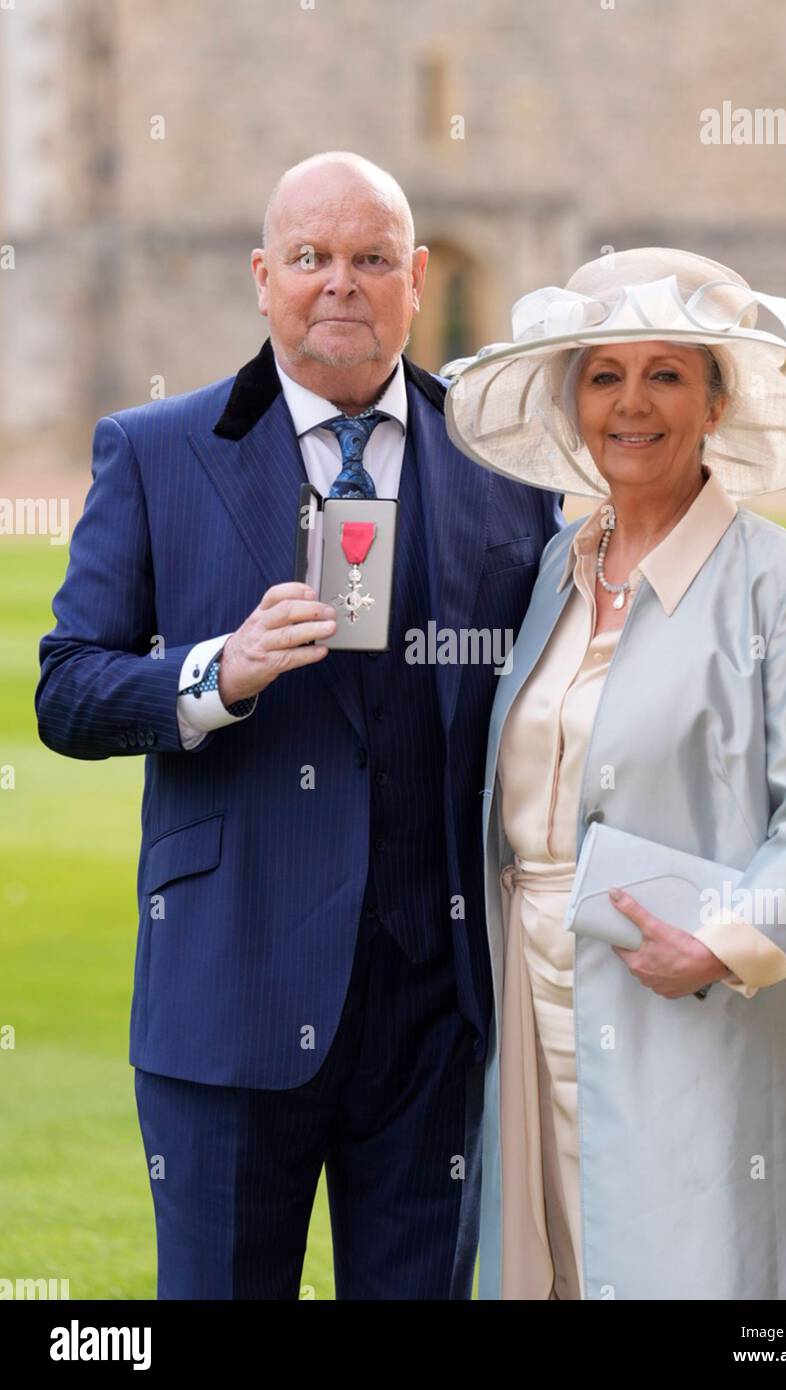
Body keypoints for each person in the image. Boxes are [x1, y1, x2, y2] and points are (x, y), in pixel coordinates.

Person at [34, 151, 563, 1299]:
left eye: (372, 259)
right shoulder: (157, 449)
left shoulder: (509, 466)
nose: (342, 283)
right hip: (230, 990)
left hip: (436, 1009)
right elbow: (66, 691)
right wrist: (217, 673)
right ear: (263, 276)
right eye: (313, 258)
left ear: (417, 278)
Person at [442, 246, 786, 1299]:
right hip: (530, 986)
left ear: (716, 401)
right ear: (573, 400)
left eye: (667, 375)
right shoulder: (558, 565)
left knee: (687, 1263)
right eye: (605, 375)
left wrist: (723, 943)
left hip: (689, 998)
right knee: (546, 1263)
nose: (632, 405)